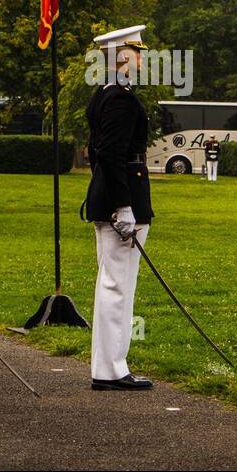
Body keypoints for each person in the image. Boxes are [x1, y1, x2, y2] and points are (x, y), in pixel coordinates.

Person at [83, 25, 154, 391]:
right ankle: (111, 369)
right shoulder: (121, 99)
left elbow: (96, 153)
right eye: (137, 51)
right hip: (121, 200)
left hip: (110, 197)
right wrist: (123, 206)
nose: (141, 58)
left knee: (112, 283)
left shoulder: (104, 94)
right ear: (122, 56)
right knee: (118, 286)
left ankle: (108, 365)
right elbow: (110, 155)